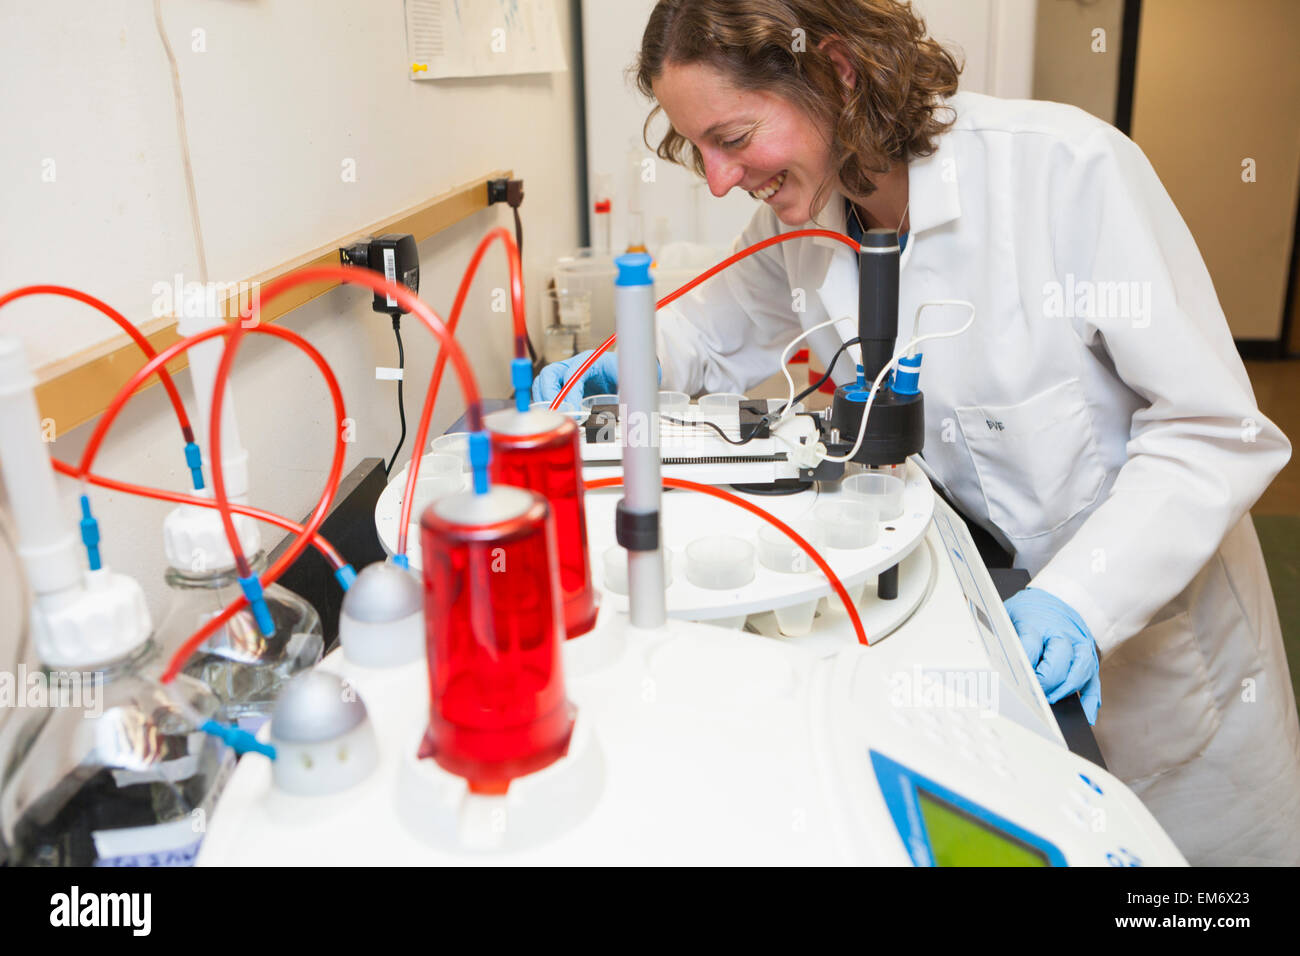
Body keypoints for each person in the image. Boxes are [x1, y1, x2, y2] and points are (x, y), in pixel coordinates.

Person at [535, 0, 1300, 865]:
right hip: (991, 616)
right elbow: (706, 327)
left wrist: (1080, 604)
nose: (717, 180)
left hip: (1157, 649)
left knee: (1191, 893)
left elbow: (1215, 430)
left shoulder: (1067, 172)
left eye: (734, 138)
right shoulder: (807, 220)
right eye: (697, 150)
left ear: (836, 71)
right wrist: (618, 361)